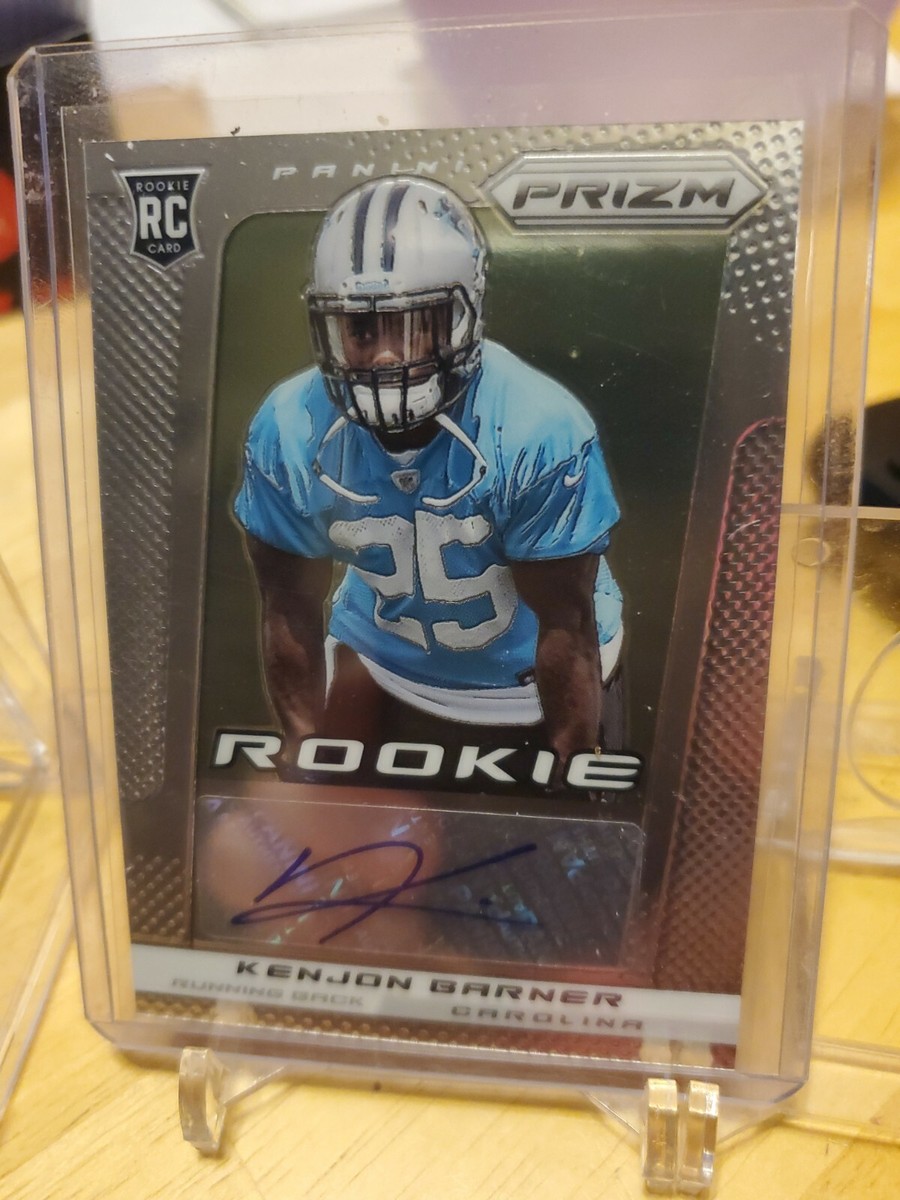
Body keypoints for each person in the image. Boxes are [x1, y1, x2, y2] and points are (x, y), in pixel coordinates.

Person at [234, 175, 624, 792]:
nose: (387, 356)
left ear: (466, 316)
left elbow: (567, 626)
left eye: (414, 324)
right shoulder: (289, 426)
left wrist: (572, 766)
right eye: (364, 330)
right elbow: (288, 603)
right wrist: (306, 747)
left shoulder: (536, 427)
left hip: (525, 689)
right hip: (380, 668)